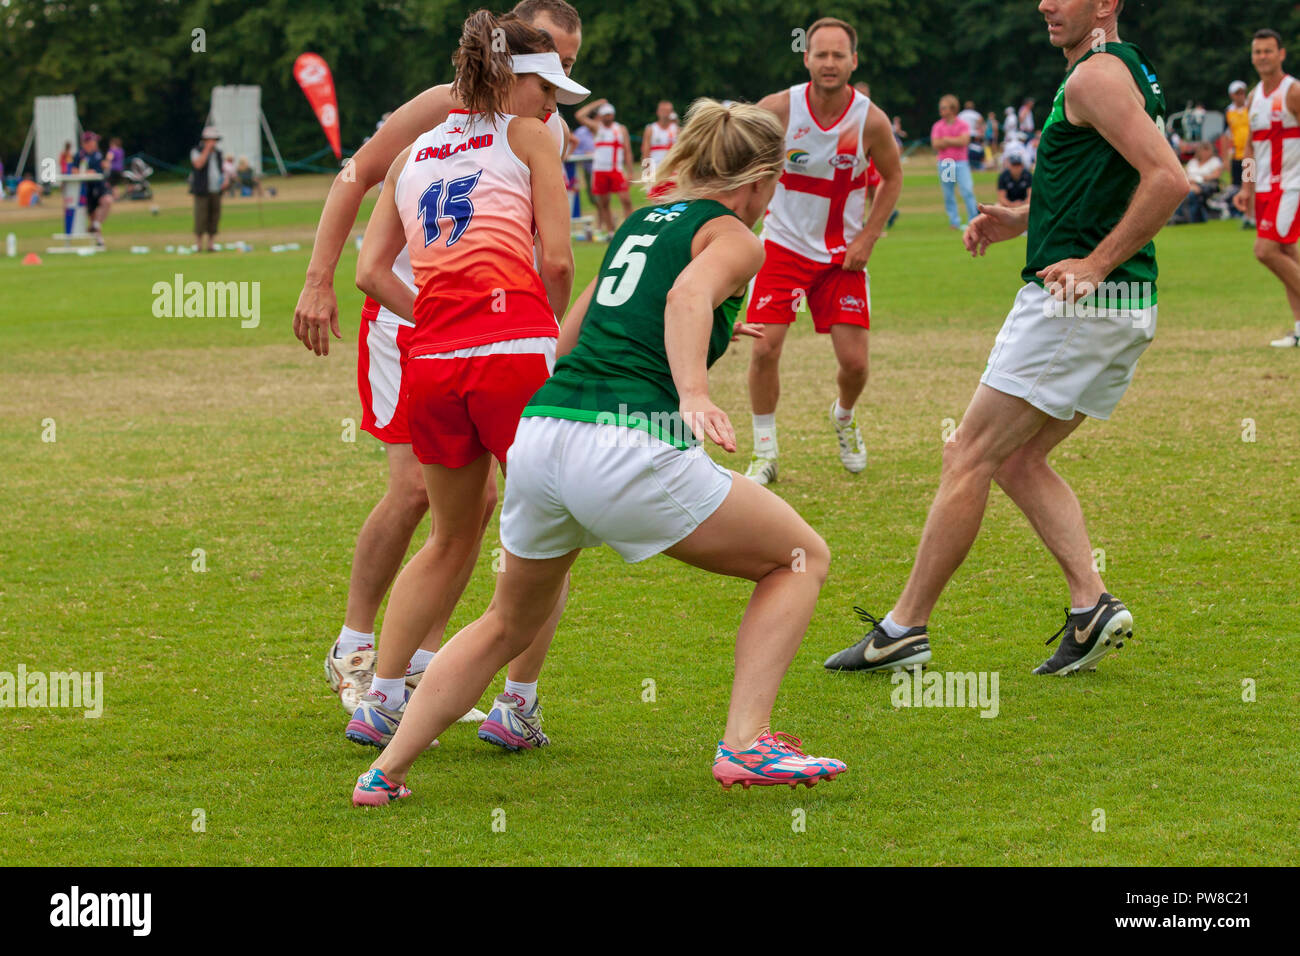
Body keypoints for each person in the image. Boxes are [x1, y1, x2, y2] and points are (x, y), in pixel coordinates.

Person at [351, 98, 847, 806]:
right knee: (800, 559)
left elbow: (572, 335)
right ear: (758, 181)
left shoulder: (643, 222)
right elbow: (684, 298)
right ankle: (746, 743)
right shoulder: (737, 235)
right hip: (627, 442)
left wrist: (686, 337)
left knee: (505, 621)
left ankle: (384, 771)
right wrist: (695, 392)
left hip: (545, 434)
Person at [824, 0, 1187, 677]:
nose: (1046, 3)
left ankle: (905, 630)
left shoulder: (1095, 76)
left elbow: (1169, 179)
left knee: (968, 454)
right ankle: (1092, 606)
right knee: (1018, 461)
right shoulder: (1118, 67)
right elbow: (1101, 179)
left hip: (1080, 304)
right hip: (1121, 304)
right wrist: (1022, 217)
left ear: (1105, 2)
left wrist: (1094, 262)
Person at [291, 1, 583, 728]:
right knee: (438, 497)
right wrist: (316, 278)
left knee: (473, 512)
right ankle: (361, 649)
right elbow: (354, 174)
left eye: (571, 66)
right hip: (432, 331)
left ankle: (415, 668)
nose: (560, 81)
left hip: (451, 339)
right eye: (549, 61)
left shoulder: (540, 128)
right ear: (515, 44)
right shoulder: (443, 111)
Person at [740, 18, 901, 489]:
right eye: (821, 54)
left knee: (855, 365)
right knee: (765, 348)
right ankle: (765, 452)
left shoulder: (869, 118)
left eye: (839, 55)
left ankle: (844, 418)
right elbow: (739, 157)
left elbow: (892, 178)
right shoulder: (778, 109)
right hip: (782, 248)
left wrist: (868, 236)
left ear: (854, 60)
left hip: (841, 258)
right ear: (806, 57)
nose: (829, 63)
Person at [1233, 28, 1300, 348]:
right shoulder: (1254, 97)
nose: (1262, 57)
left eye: (1268, 51)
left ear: (1281, 54)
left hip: (1291, 186)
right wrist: (1246, 188)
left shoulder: (1293, 92)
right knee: (1287, 253)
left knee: (1265, 251)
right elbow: (1249, 147)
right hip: (1264, 189)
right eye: (1257, 52)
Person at [576, 98, 633, 239]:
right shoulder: (597, 127)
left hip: (616, 169)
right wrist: (597, 103)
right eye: (605, 114)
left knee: (625, 200)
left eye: (610, 114)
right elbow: (579, 115)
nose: (608, 117)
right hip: (600, 170)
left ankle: (630, 228)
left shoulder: (620, 129)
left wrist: (630, 171)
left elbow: (627, 151)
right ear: (601, 116)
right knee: (604, 203)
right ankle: (611, 232)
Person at [932, 94, 979, 228]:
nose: (941, 110)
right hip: (946, 162)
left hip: (960, 162)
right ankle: (954, 221)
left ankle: (973, 220)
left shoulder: (963, 124)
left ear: (952, 109)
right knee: (949, 194)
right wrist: (954, 140)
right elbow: (935, 144)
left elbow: (964, 141)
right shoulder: (938, 126)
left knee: (967, 190)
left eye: (944, 108)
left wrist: (946, 140)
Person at [189, 127, 226, 252]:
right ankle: (198, 245)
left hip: (216, 189)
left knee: (214, 216)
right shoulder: (196, 151)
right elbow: (198, 165)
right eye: (211, 139)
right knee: (201, 217)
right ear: (205, 139)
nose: (213, 142)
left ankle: (211, 244)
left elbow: (222, 170)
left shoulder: (219, 153)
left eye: (215, 139)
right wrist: (207, 150)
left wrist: (225, 180)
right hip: (202, 189)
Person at [74, 131, 112, 247]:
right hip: (87, 188)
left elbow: (102, 167)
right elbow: (73, 170)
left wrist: (106, 165)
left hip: (99, 185)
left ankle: (94, 225)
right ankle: (99, 241)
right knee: (93, 214)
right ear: (87, 142)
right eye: (94, 141)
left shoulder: (98, 154)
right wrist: (86, 172)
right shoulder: (79, 155)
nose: (95, 143)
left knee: (107, 201)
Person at [1172, 141, 1223, 224]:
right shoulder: (1193, 162)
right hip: (1189, 183)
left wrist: (1199, 179)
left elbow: (1215, 176)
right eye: (1203, 150)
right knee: (1179, 191)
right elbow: (1184, 173)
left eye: (1207, 150)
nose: (1205, 153)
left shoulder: (1215, 161)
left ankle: (1183, 216)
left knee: (1189, 192)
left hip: (1205, 184)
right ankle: (1178, 215)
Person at [1224, 80, 1250, 221]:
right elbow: (1225, 135)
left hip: (1251, 155)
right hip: (1237, 155)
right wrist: (1224, 158)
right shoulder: (1229, 111)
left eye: (1242, 92)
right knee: (1236, 186)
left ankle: (1250, 213)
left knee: (1250, 183)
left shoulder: (1251, 107)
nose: (1240, 96)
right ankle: (1238, 211)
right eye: (1237, 93)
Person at [641, 99, 678, 179]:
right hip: (655, 171)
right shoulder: (650, 129)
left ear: (672, 113)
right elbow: (645, 152)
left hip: (672, 172)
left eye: (668, 111)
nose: (665, 113)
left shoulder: (677, 130)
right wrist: (646, 172)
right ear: (657, 112)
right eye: (663, 110)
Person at [959, 100, 986, 169]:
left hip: (964, 135)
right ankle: (976, 163)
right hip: (974, 134)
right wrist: (981, 134)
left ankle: (966, 164)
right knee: (976, 149)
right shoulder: (976, 114)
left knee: (965, 151)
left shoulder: (961, 114)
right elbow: (980, 124)